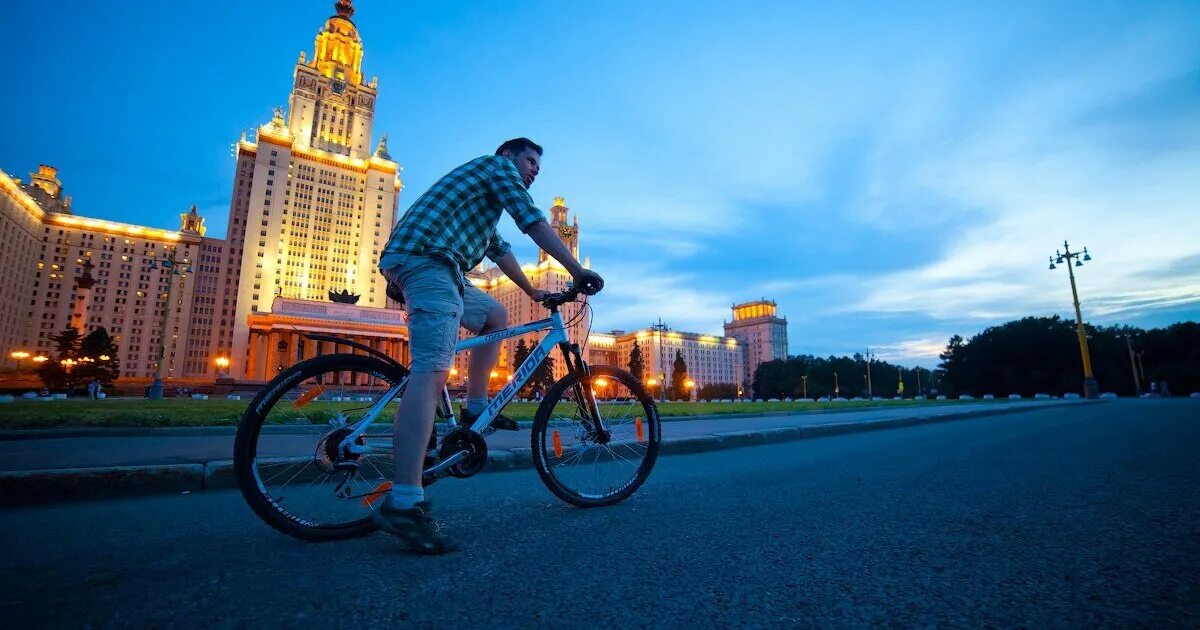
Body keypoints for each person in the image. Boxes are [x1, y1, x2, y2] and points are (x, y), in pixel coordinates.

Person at [373, 138, 604, 554]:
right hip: (427, 260)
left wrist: (534, 291)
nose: (534, 170)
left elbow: (501, 251)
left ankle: (476, 406)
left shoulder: (483, 208)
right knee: (432, 371)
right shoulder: (495, 169)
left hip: (443, 266)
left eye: (538, 166)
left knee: (496, 315)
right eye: (529, 161)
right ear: (507, 157)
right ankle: (404, 501)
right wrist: (576, 269)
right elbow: (531, 221)